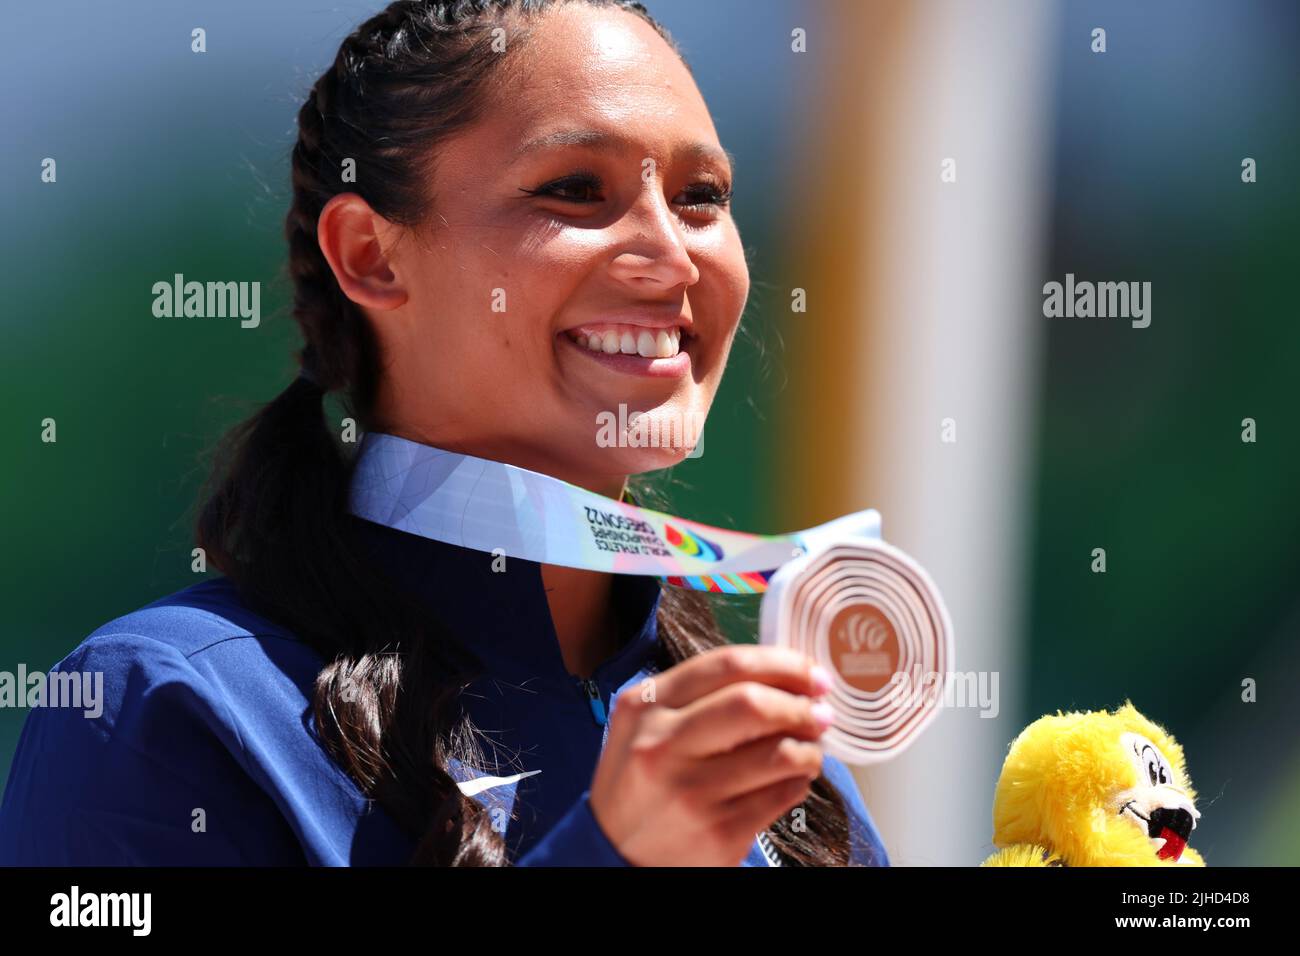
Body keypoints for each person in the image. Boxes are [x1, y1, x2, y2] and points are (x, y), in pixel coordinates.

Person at [0, 0, 887, 867]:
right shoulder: (162, 711)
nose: (671, 253)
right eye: (576, 190)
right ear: (370, 256)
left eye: (701, 197)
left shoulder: (794, 783)